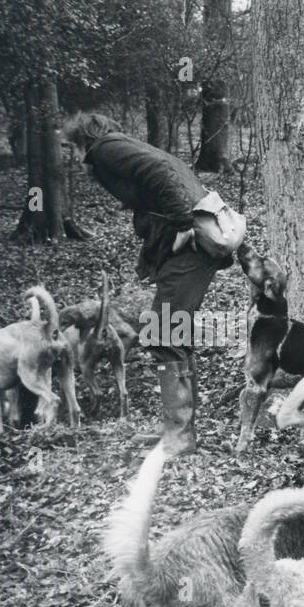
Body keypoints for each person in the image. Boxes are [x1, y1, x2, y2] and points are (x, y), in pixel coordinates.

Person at [63, 113, 233, 456]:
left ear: (83, 141)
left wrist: (184, 222)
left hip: (193, 246)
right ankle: (176, 426)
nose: (73, 158)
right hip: (190, 247)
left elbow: (163, 174)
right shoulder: (120, 147)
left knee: (164, 331)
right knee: (171, 331)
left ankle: (180, 435)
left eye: (71, 148)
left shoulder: (107, 150)